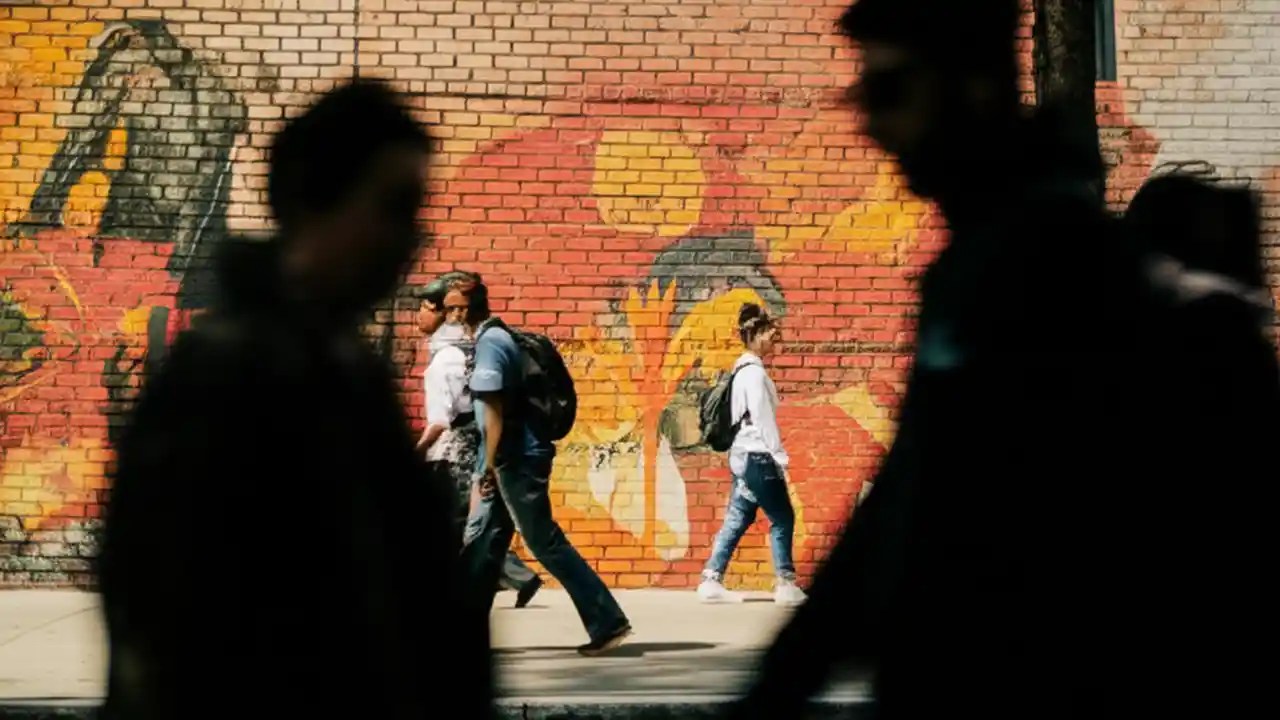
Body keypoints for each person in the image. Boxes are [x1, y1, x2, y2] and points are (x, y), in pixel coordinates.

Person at [729, 1, 1171, 717]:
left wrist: (783, 683)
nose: (872, 124)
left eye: (890, 92)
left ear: (973, 88)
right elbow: (908, 495)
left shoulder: (1046, 262)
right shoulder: (984, 256)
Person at [96, 79, 493, 720]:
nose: (412, 237)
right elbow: (170, 623)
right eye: (396, 206)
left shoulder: (337, 365)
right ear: (313, 202)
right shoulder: (231, 375)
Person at [451, 273, 632, 656]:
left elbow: (493, 411)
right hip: (513, 456)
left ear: (464, 309)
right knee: (486, 542)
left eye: (452, 308)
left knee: (543, 541)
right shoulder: (496, 338)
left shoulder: (490, 344)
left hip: (514, 458)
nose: (449, 316)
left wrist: (486, 466)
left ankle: (608, 620)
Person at [415, 273, 542, 608]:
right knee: (480, 527)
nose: (419, 316)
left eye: (427, 309)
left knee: (465, 530)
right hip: (478, 447)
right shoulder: (469, 348)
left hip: (455, 455)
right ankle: (512, 578)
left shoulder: (447, 358)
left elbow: (441, 421)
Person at [696, 303, 806, 606]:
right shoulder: (754, 374)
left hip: (741, 455)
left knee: (738, 518)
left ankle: (711, 580)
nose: (774, 341)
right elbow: (762, 418)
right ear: (756, 335)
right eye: (771, 335)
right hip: (758, 455)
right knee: (782, 518)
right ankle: (786, 584)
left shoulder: (739, 370)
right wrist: (780, 456)